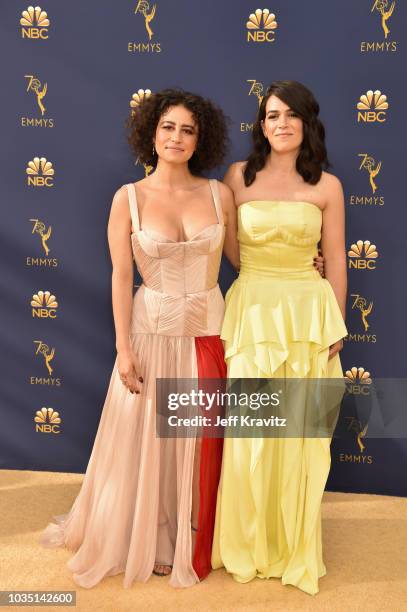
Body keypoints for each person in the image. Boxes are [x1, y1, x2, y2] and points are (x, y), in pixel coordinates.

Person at [39, 89, 239, 588]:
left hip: (208, 335)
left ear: (201, 140)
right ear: (151, 133)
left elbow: (246, 262)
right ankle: (147, 536)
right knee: (147, 442)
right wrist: (123, 349)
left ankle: (188, 537)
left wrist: (306, 267)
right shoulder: (127, 197)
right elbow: (119, 276)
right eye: (168, 127)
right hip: (149, 336)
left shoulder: (220, 194)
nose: (177, 137)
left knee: (197, 443)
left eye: (188, 130)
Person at [211, 80, 348, 595]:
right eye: (272, 115)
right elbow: (230, 253)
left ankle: (293, 546)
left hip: (308, 314)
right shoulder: (235, 179)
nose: (281, 123)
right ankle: (248, 543)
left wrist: (334, 320)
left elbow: (335, 260)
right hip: (253, 312)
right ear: (261, 124)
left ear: (307, 123)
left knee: (301, 439)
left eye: (291, 115)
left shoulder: (327, 187)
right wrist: (272, 269)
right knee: (251, 435)